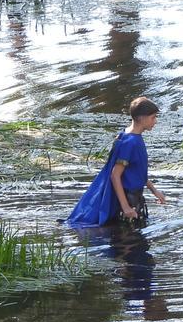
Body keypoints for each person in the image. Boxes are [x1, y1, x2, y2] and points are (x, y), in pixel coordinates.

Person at [66, 97, 167, 228]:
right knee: (128, 242)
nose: (156, 121)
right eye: (153, 117)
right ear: (142, 118)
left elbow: (138, 171)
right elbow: (115, 175)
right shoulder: (129, 142)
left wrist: (154, 191)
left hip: (133, 198)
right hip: (126, 201)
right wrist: (125, 207)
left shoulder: (128, 136)